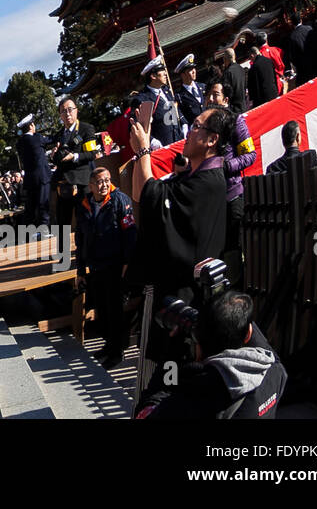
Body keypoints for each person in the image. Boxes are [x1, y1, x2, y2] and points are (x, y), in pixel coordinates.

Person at [128, 108, 231, 304]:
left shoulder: (208, 182)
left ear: (212, 140)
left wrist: (143, 150)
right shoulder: (194, 176)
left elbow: (149, 194)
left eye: (196, 126)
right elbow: (143, 195)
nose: (189, 132)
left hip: (188, 298)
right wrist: (140, 152)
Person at [137, 291, 287, 419]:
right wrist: (233, 318)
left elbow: (146, 413)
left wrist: (172, 356)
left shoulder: (192, 399)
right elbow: (261, 344)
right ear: (248, 334)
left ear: (199, 343)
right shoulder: (273, 372)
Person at [75, 166, 136, 369]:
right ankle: (108, 344)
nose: (104, 185)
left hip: (116, 264)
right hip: (96, 265)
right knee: (101, 307)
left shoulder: (120, 200)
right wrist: (81, 270)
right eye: (99, 181)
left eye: (107, 180)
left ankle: (117, 351)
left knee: (115, 308)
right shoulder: (84, 205)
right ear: (91, 185)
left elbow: (130, 233)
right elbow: (80, 239)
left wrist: (128, 263)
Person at [204, 81, 256, 285]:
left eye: (215, 94)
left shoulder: (236, 122)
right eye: (208, 94)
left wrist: (226, 166)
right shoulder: (202, 125)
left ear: (225, 100)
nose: (210, 99)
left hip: (232, 195)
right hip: (210, 199)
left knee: (233, 248)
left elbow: (250, 155)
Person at [50, 97, 101, 247]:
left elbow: (92, 154)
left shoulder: (86, 129)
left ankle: (88, 253)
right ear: (60, 115)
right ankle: (63, 258)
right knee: (62, 224)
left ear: (76, 110)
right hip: (63, 185)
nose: (67, 113)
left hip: (81, 182)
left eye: (70, 109)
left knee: (85, 220)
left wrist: (75, 156)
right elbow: (58, 161)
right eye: (63, 111)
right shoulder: (58, 135)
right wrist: (54, 156)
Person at [15, 114, 52, 229]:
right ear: (31, 126)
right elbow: (50, 140)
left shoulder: (20, 142)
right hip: (42, 177)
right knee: (43, 205)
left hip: (30, 179)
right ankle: (44, 230)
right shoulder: (37, 138)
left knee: (30, 208)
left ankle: (29, 232)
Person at [137, 58, 183, 148]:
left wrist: (183, 124)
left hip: (178, 141)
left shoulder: (167, 91)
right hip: (162, 146)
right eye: (162, 71)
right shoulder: (142, 98)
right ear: (153, 76)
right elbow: (137, 125)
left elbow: (174, 112)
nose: (166, 74)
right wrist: (152, 140)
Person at [173, 53, 204, 135]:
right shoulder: (179, 96)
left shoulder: (203, 87)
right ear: (183, 74)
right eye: (190, 70)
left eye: (194, 68)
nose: (194, 71)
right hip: (196, 133)